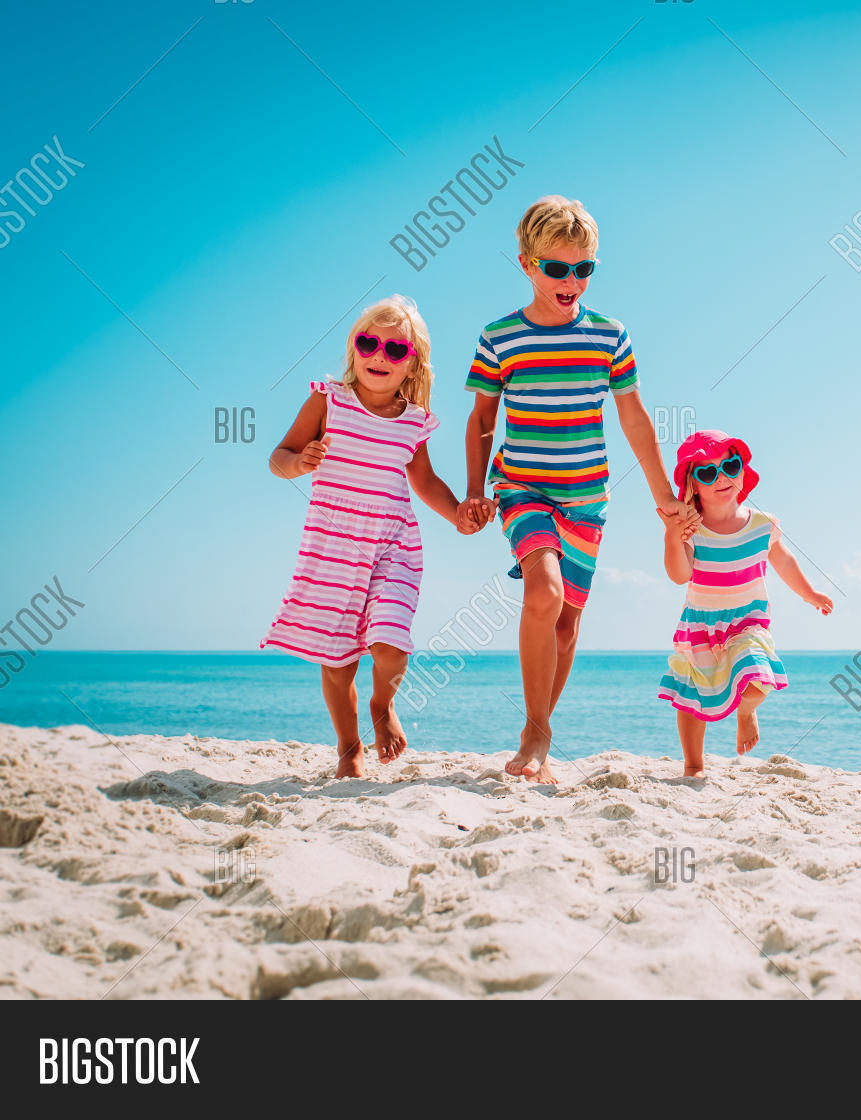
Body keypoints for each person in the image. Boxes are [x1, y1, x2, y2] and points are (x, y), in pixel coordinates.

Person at [460, 195, 699, 784]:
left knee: (566, 624)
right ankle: (535, 733)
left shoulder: (609, 336)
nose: (571, 281)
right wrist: (474, 489)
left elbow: (635, 419)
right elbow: (481, 418)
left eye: (583, 268)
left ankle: (542, 725)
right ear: (526, 263)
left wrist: (662, 496)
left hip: (588, 499)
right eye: (557, 268)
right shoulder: (500, 337)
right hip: (521, 489)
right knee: (540, 592)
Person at [263, 295, 474, 777]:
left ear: (412, 364)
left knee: (391, 644)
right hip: (332, 551)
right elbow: (280, 456)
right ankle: (348, 747)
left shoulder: (413, 422)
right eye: (368, 342)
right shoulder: (328, 400)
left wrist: (458, 514)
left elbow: (424, 482)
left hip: (393, 545)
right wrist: (299, 463)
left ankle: (383, 704)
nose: (379, 355)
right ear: (353, 349)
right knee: (337, 664)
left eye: (395, 350)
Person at [657, 430, 833, 776]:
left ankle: (745, 710)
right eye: (708, 473)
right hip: (701, 626)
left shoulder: (762, 524)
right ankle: (693, 765)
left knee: (755, 678)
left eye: (730, 466)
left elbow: (782, 560)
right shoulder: (694, 529)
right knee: (693, 697)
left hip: (747, 622)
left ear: (742, 471)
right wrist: (671, 536)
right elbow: (679, 575)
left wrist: (808, 593)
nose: (722, 477)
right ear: (693, 484)